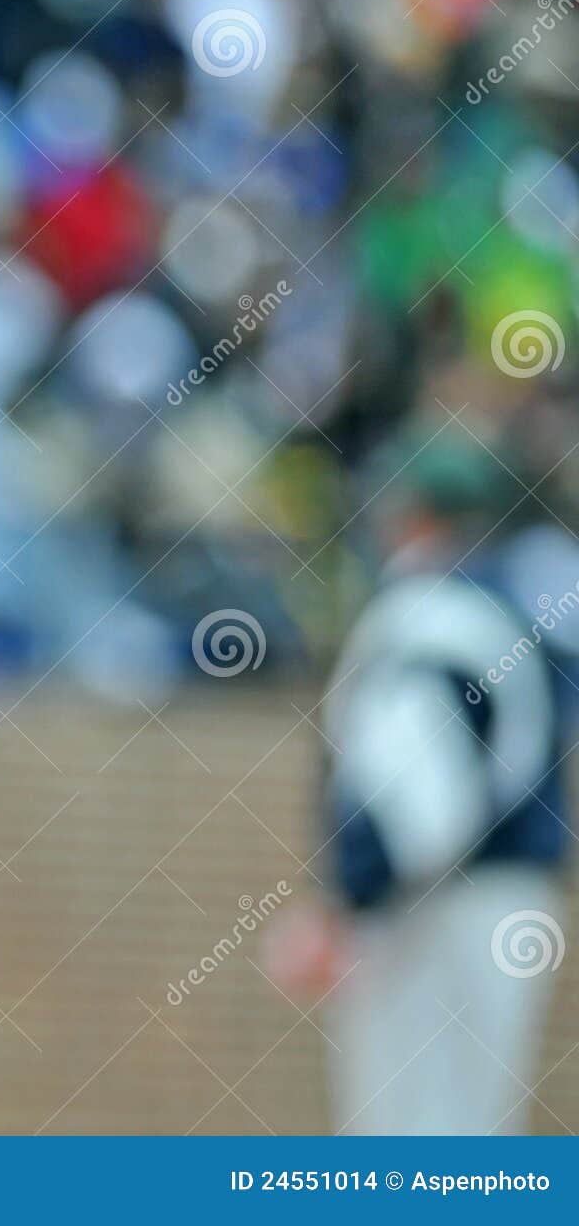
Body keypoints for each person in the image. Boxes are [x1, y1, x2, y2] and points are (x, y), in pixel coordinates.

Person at [271, 430, 569, 1133]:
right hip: (506, 897)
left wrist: (352, 903)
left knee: (409, 1138)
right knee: (472, 1131)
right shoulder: (511, 610)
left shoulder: (425, 613)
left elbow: (420, 798)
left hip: (435, 909)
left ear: (412, 512)